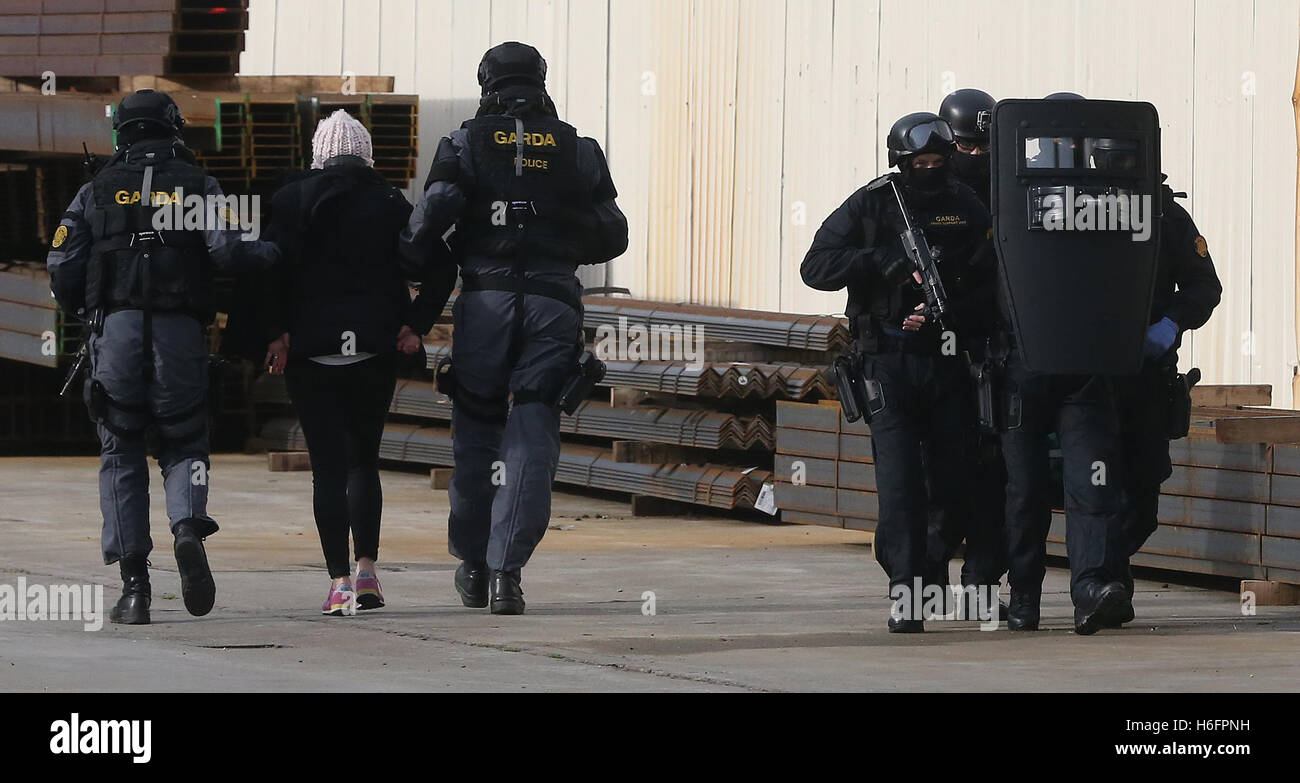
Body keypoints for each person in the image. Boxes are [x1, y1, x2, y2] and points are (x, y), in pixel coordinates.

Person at [400, 42, 628, 615]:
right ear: (541, 81)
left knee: (476, 431)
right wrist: (558, 236)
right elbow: (613, 234)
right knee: (533, 429)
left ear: (487, 84)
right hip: (553, 304)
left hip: (485, 303)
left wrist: (409, 256)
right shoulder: (580, 150)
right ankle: (507, 574)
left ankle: (473, 563)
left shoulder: (463, 142)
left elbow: (437, 208)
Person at [45, 89, 278, 624]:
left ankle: (135, 589)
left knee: (120, 451)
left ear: (121, 134)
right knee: (185, 440)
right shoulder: (200, 185)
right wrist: (275, 251)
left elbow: (61, 264)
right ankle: (188, 527)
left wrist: (92, 310)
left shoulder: (93, 190)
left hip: (116, 334)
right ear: (173, 128)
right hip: (180, 334)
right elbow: (229, 250)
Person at [801, 112, 997, 632]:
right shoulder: (871, 204)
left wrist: (948, 313)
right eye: (920, 163)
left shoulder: (966, 206)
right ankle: (907, 593)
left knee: (952, 485)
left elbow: (994, 282)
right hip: (885, 362)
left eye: (938, 161)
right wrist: (877, 261)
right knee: (900, 485)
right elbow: (815, 267)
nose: (930, 170)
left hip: (948, 362)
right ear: (902, 162)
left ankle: (926, 574)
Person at [261, 110, 453, 616]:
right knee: (363, 460)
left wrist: (276, 332)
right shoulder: (391, 202)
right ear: (367, 157)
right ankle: (368, 569)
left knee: (327, 469)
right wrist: (414, 324)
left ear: (318, 157)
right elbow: (441, 264)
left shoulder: (291, 200)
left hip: (311, 350)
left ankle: (339, 583)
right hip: (374, 347)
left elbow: (267, 271)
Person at [997, 92, 1130, 635]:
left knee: (1092, 486)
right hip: (1023, 366)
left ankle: (1091, 589)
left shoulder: (1114, 200)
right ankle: (1024, 595)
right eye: (1059, 141)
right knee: (1025, 492)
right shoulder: (1006, 197)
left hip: (1083, 367)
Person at [1091, 139, 1222, 626]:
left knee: (1142, 499)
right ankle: (1100, 585)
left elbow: (1204, 285)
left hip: (1147, 374)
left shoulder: (1166, 215)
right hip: (1085, 377)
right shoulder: (1074, 210)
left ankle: (1107, 577)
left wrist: (1172, 322)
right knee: (1089, 489)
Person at [930, 88, 1006, 616]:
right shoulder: (920, 194)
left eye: (985, 147)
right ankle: (926, 581)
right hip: (937, 355)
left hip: (992, 350)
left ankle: (981, 584)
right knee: (936, 478)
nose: (976, 156)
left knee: (995, 477)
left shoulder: (1011, 191)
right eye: (966, 147)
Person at [938, 88, 995, 206]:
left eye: (985, 144)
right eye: (966, 144)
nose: (976, 152)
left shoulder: (1002, 180)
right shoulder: (934, 182)